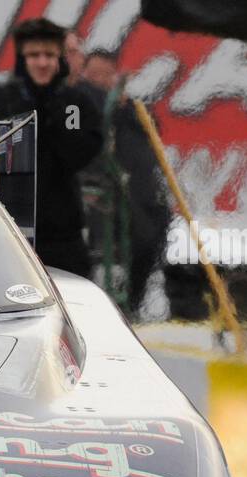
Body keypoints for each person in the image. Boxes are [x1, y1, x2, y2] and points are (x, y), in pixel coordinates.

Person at [0, 18, 102, 277]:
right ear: (22, 59)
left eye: (49, 55)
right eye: (33, 55)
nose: (42, 63)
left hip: (62, 232)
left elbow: (78, 150)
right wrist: (30, 114)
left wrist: (53, 112)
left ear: (59, 59)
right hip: (9, 226)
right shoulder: (0, 100)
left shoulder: (73, 103)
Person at [79, 49, 173, 318]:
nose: (100, 79)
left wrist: (122, 105)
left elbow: (152, 127)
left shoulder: (131, 108)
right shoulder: (79, 101)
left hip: (139, 192)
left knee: (154, 230)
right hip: (103, 191)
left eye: (106, 74)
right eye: (94, 73)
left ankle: (134, 304)